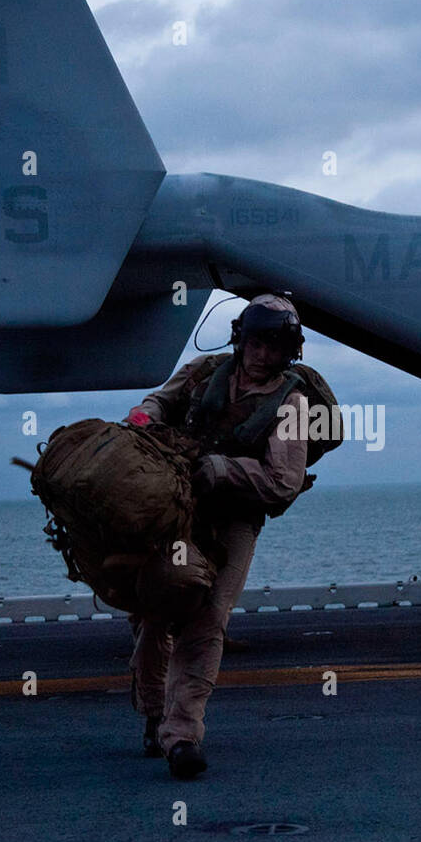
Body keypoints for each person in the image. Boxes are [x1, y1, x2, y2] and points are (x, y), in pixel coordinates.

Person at [123, 294, 311, 779]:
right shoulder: (205, 372)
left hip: (235, 521)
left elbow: (284, 480)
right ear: (240, 338)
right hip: (177, 512)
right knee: (153, 614)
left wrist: (221, 470)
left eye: (272, 346)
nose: (260, 354)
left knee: (207, 621)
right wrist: (141, 420)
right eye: (255, 341)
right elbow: (159, 401)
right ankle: (152, 712)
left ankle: (182, 736)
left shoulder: (290, 403)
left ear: (287, 352)